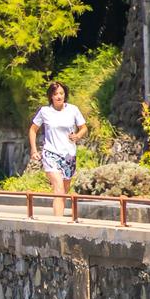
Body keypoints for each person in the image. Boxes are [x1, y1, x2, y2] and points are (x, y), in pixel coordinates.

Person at [29, 81, 87, 217]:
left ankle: (57, 215)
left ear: (65, 94)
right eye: (55, 94)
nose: (59, 96)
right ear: (51, 96)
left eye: (61, 93)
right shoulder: (45, 111)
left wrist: (77, 136)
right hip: (51, 154)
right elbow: (33, 129)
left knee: (63, 192)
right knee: (59, 188)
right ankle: (57, 224)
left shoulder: (73, 109)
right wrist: (34, 149)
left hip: (69, 155)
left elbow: (83, 127)